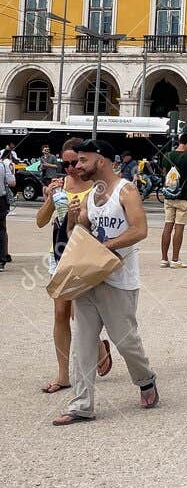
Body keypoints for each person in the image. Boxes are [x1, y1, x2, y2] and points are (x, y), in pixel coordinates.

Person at [51, 138, 159, 425]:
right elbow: (82, 230)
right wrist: (73, 221)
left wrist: (109, 246)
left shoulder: (126, 190)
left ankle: (145, 379)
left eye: (83, 160)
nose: (77, 166)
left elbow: (140, 229)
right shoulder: (90, 195)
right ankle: (81, 405)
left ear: (100, 160)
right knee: (83, 344)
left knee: (126, 342)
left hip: (119, 279)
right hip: (89, 277)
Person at [35, 137, 113, 392]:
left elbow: (97, 225)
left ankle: (99, 345)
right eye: (64, 163)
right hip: (58, 256)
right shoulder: (58, 185)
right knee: (61, 313)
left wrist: (77, 213)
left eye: (74, 162)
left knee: (80, 315)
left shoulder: (95, 187)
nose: (70, 168)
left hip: (83, 257)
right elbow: (40, 221)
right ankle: (63, 375)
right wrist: (51, 197)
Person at [160, 131, 187, 267]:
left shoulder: (167, 155)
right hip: (184, 196)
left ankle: (164, 259)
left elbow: (166, 175)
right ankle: (175, 260)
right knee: (179, 227)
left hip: (169, 195)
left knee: (167, 226)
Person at [0, 150, 14, 267]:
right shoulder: (4, 165)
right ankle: (2, 257)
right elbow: (12, 182)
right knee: (1, 229)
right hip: (1, 200)